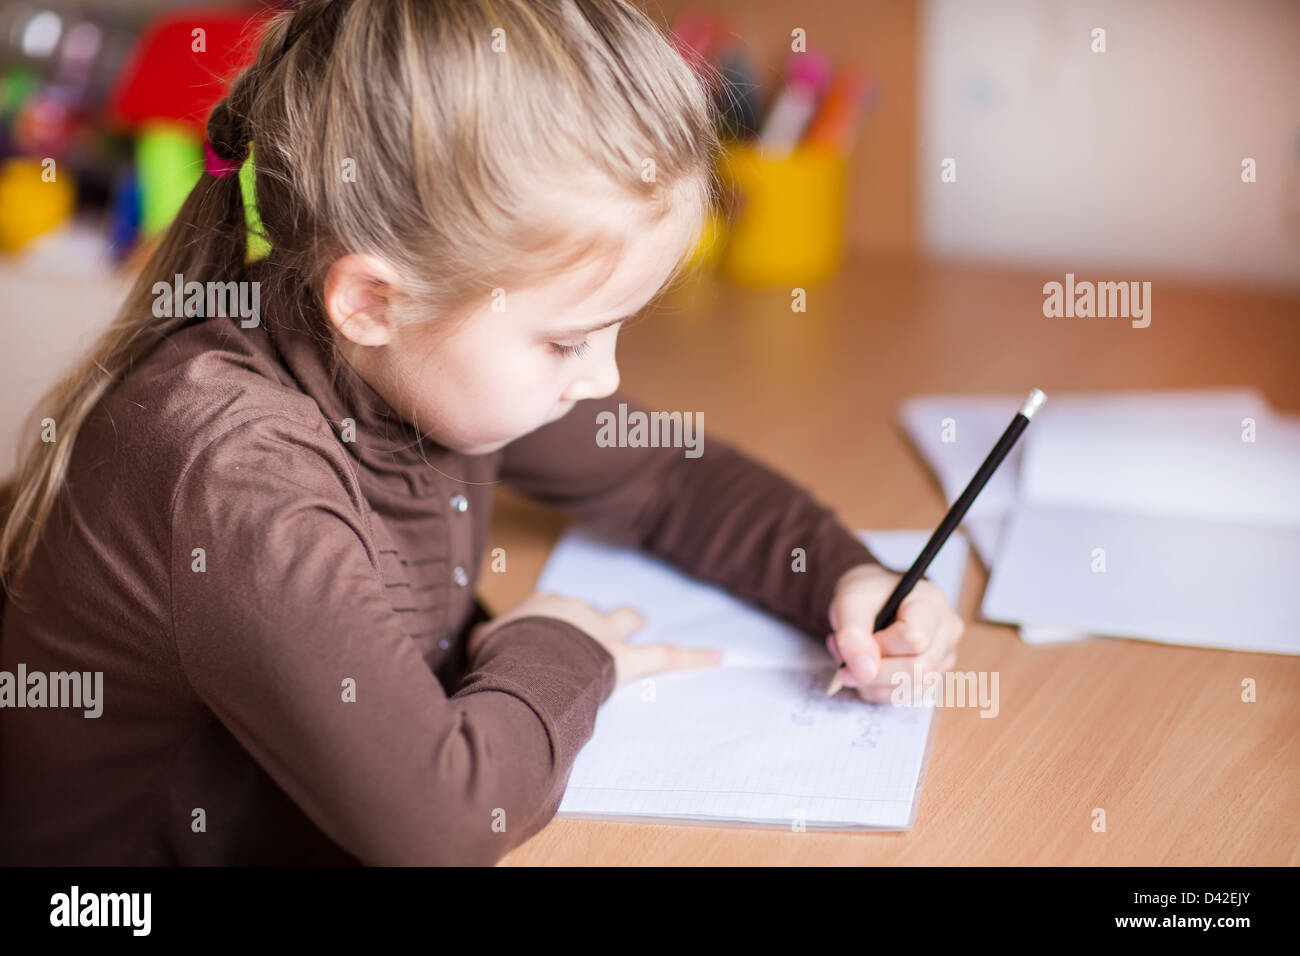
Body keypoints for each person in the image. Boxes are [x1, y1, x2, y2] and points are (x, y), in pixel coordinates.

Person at [0, 0, 962, 865]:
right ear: (372, 299)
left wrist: (844, 574)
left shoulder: (409, 352)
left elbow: (665, 475)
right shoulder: (236, 471)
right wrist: (558, 642)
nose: (607, 377)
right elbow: (440, 824)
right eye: (569, 340)